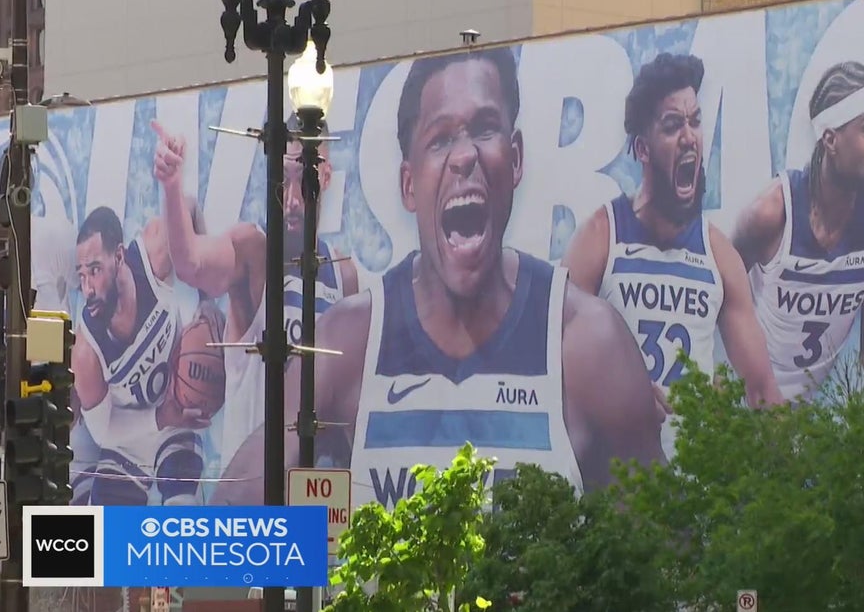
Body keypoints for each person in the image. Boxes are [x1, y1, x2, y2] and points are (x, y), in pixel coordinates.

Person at [210, 47, 665, 507]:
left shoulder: (588, 342)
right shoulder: (351, 342)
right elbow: (224, 518)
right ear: (409, 185)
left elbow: (665, 553)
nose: (464, 155)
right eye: (440, 138)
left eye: (485, 129)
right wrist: (308, 554)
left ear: (515, 159)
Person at [563, 52, 783, 460]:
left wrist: (803, 485)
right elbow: (552, 364)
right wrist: (619, 393)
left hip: (695, 491)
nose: (689, 137)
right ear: (643, 149)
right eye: (672, 125)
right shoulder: (601, 237)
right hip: (617, 485)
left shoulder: (718, 253)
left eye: (695, 121)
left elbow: (761, 390)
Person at [150, 117, 360, 472]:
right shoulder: (251, 250)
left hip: (314, 493)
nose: (292, 200)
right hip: (251, 498)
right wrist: (172, 188)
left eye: (304, 179)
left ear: (325, 177)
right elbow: (190, 264)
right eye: (283, 180)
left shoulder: (344, 274)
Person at [731, 61, 864, 403]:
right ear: (830, 139)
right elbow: (711, 306)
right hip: (748, 408)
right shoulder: (771, 212)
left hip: (810, 415)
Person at [71, 206, 210, 506]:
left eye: (94, 270)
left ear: (119, 256)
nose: (87, 288)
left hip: (176, 412)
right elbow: (105, 431)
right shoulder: (86, 352)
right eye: (81, 275)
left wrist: (207, 299)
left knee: (183, 512)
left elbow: (189, 209)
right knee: (107, 540)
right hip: (128, 440)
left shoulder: (153, 259)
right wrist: (159, 417)